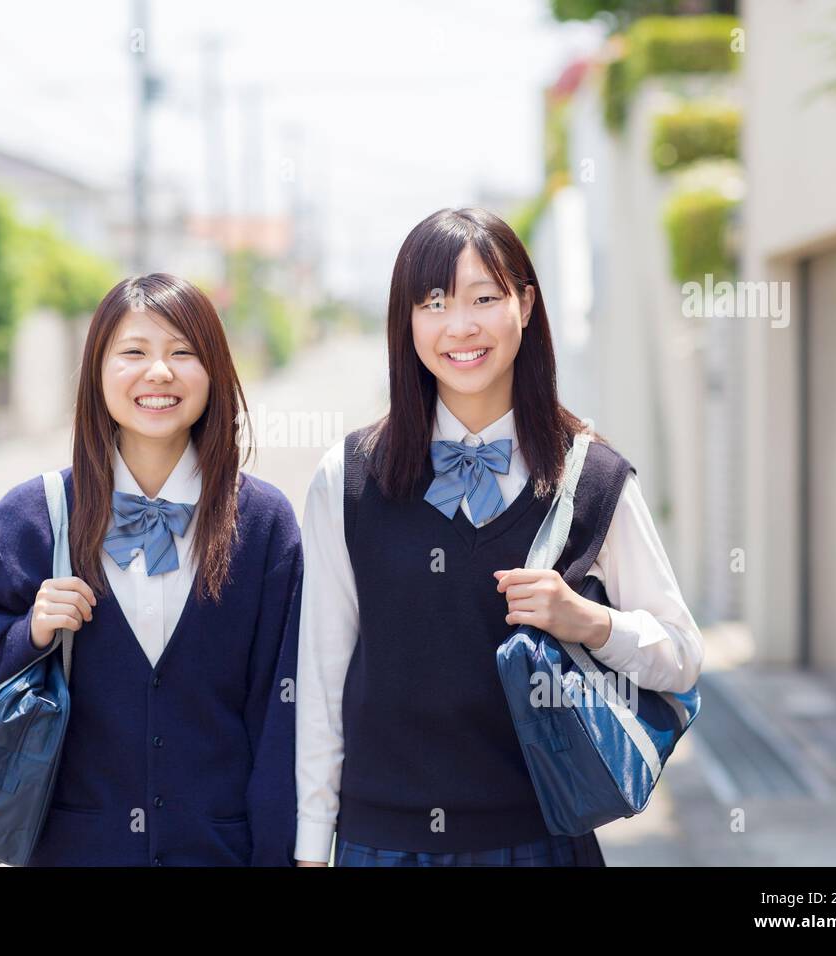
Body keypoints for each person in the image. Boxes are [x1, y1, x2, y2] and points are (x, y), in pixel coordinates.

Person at [294, 207, 704, 867]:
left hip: (542, 842)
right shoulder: (347, 477)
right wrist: (312, 848)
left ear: (526, 304)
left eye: (484, 298)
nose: (460, 326)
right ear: (407, 321)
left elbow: (682, 656)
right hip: (384, 842)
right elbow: (320, 676)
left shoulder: (592, 476)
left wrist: (590, 622)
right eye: (433, 303)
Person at [0, 274, 301, 866]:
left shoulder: (261, 522)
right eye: (134, 352)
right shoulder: (37, 514)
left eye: (183, 352)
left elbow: (279, 709)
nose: (159, 372)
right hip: (72, 848)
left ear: (216, 373)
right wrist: (30, 631)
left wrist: (279, 852)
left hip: (218, 849)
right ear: (98, 371)